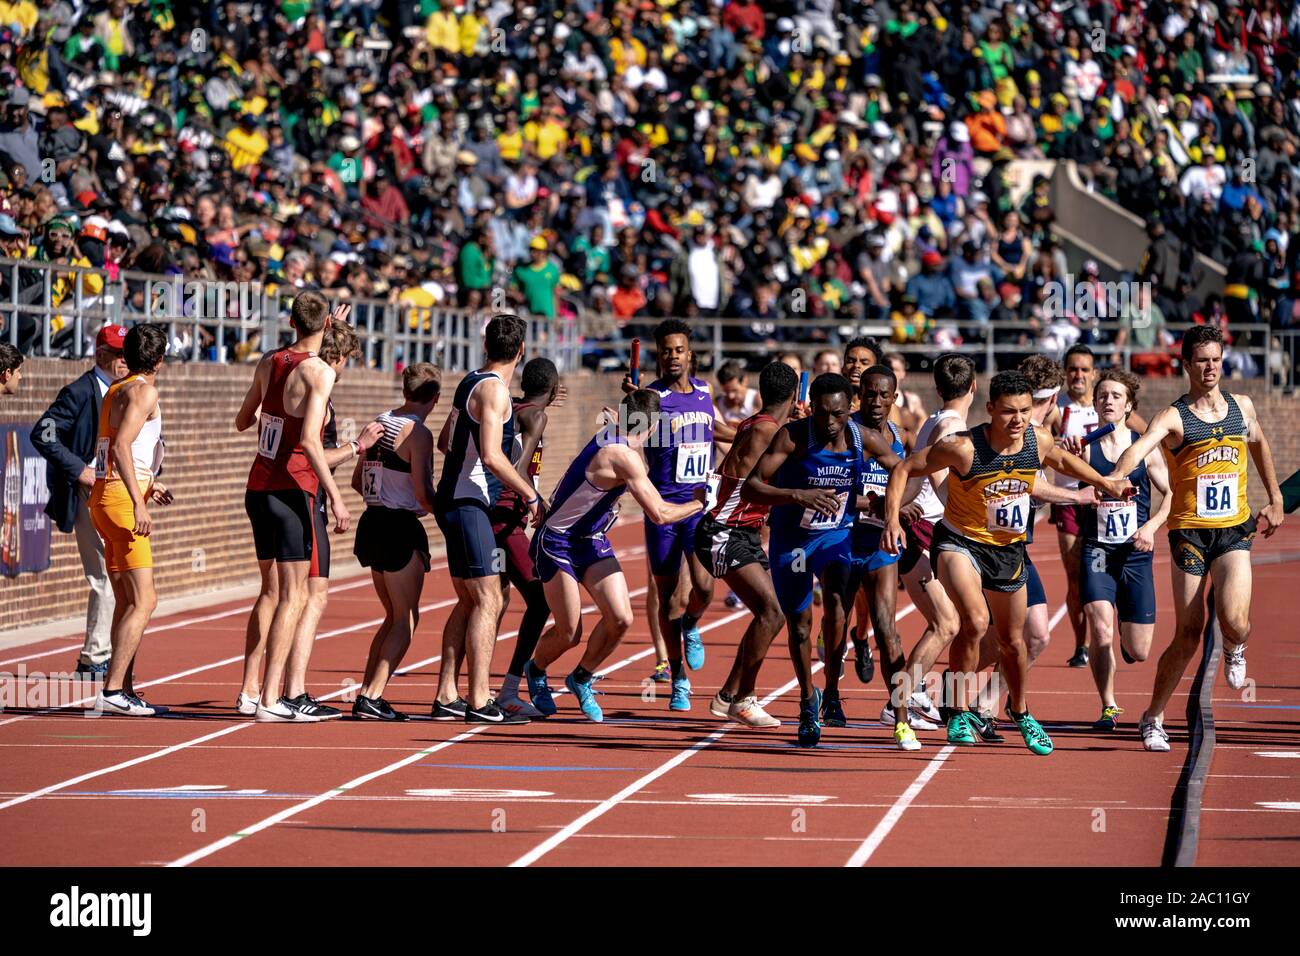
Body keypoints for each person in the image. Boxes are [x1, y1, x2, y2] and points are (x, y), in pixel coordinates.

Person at [882, 371, 1133, 756]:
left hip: (1007, 550)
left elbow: (1062, 459)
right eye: (1008, 412)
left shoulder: (1036, 438)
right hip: (959, 542)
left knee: (1012, 642)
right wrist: (892, 519)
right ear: (990, 410)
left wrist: (1103, 482)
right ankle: (957, 711)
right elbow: (904, 469)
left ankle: (1020, 711)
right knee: (975, 621)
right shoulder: (963, 448)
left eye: (1024, 410)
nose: (1017, 420)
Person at [1108, 326, 1285, 752]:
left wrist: (1276, 497)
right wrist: (1115, 476)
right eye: (1201, 360)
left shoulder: (1241, 407)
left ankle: (1235, 646)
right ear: (1185, 364)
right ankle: (1152, 717)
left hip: (1233, 530)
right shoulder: (1173, 416)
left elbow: (1259, 446)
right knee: (1188, 633)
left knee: (1235, 620)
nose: (1210, 368)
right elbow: (1139, 448)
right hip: (1189, 534)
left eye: (1216, 359)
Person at [523, 389, 707, 721]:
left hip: (590, 540)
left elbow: (635, 442)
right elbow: (660, 514)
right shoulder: (621, 455)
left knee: (621, 618)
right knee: (570, 633)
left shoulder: (618, 438)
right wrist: (701, 503)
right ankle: (536, 670)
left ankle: (580, 678)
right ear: (652, 429)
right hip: (558, 542)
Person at [237, 321, 382, 718]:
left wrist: (325, 322)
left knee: (272, 592)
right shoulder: (318, 383)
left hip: (262, 487)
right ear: (335, 356)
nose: (346, 368)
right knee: (305, 596)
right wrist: (356, 448)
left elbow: (247, 419)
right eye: (347, 359)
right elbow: (311, 452)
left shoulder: (276, 364)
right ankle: (285, 693)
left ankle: (253, 688)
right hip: (298, 493)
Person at [431, 314, 544, 725]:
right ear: (521, 351)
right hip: (467, 502)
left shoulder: (470, 381)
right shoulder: (495, 393)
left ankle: (447, 693)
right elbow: (494, 457)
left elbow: (447, 439)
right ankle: (480, 700)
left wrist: (467, 466)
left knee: (470, 599)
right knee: (490, 599)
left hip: (459, 497)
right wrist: (530, 492)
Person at [742, 373, 866, 748]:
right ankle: (807, 701)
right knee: (799, 626)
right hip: (793, 540)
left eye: (838, 415)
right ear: (811, 407)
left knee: (836, 602)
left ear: (850, 410)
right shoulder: (792, 437)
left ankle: (831, 690)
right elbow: (751, 485)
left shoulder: (862, 438)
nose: (830, 423)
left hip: (835, 535)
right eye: (822, 414)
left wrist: (896, 506)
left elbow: (905, 468)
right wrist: (796, 495)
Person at [628, 319, 735, 711]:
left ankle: (691, 625)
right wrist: (632, 408)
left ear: (689, 354)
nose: (672, 356)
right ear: (658, 356)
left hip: (697, 506)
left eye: (678, 350)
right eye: (666, 351)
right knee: (669, 598)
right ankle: (678, 679)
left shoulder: (705, 391)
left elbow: (716, 430)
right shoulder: (650, 396)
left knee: (705, 588)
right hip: (663, 509)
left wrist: (752, 431)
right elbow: (627, 440)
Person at [697, 360, 799, 728]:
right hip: (724, 531)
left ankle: (727, 696)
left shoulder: (759, 423)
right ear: (795, 393)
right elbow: (768, 483)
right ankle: (743, 699)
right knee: (772, 613)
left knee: (767, 613)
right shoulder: (769, 432)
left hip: (739, 531)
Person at [1068, 369, 1171, 731]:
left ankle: (1127, 648)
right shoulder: (1081, 448)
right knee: (1100, 629)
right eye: (1103, 396)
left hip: (1135, 554)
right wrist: (1067, 461)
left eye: (1116, 396)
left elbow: (1171, 496)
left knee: (1139, 651)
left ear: (1129, 405)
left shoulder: (1145, 446)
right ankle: (1108, 704)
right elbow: (1054, 483)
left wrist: (1151, 527)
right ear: (1095, 403)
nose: (1108, 401)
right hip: (1097, 551)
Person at [32, 325, 130, 678]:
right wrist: (80, 470)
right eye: (119, 354)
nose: (125, 361)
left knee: (121, 573)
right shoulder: (77, 392)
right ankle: (94, 658)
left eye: (127, 354)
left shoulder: (129, 390)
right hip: (89, 492)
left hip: (119, 492)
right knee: (104, 574)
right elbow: (42, 433)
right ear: (100, 355)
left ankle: (104, 654)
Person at [89, 323, 173, 716]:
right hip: (122, 502)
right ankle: (112, 689)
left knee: (126, 600)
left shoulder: (114, 390)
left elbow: (112, 446)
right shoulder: (144, 390)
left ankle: (122, 686)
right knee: (146, 599)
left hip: (107, 495)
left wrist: (147, 484)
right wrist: (138, 502)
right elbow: (121, 445)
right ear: (159, 358)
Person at [351, 363, 441, 721]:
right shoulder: (418, 435)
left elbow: (358, 481)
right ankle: (372, 696)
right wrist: (444, 513)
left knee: (391, 617)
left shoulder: (379, 421)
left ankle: (365, 693)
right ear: (434, 398)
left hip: (371, 523)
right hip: (399, 526)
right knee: (406, 620)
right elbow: (423, 493)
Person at [847, 364, 929, 751]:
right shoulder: (844, 432)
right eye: (869, 394)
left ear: (895, 398)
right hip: (841, 539)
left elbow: (910, 476)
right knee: (832, 622)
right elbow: (835, 489)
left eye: (884, 395)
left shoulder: (899, 434)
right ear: (858, 394)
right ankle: (828, 696)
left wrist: (900, 507)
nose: (876, 402)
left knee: (888, 630)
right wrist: (881, 505)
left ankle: (900, 720)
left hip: (879, 543)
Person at [493, 358, 562, 719]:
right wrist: (537, 499)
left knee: (492, 602)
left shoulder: (518, 406)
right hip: (507, 517)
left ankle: (466, 691)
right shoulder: (536, 416)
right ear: (553, 389)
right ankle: (509, 689)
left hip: (495, 514)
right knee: (540, 599)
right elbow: (518, 470)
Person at [1052, 344, 1101, 668]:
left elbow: (1142, 431)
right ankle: (1081, 645)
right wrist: (1055, 443)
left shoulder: (1108, 404)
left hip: (1101, 501)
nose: (1078, 375)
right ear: (1065, 372)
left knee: (1100, 574)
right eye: (1073, 369)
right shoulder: (1058, 408)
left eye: (1084, 370)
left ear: (1093, 373)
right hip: (1068, 498)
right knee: (1073, 577)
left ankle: (1106, 635)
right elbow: (1037, 434)